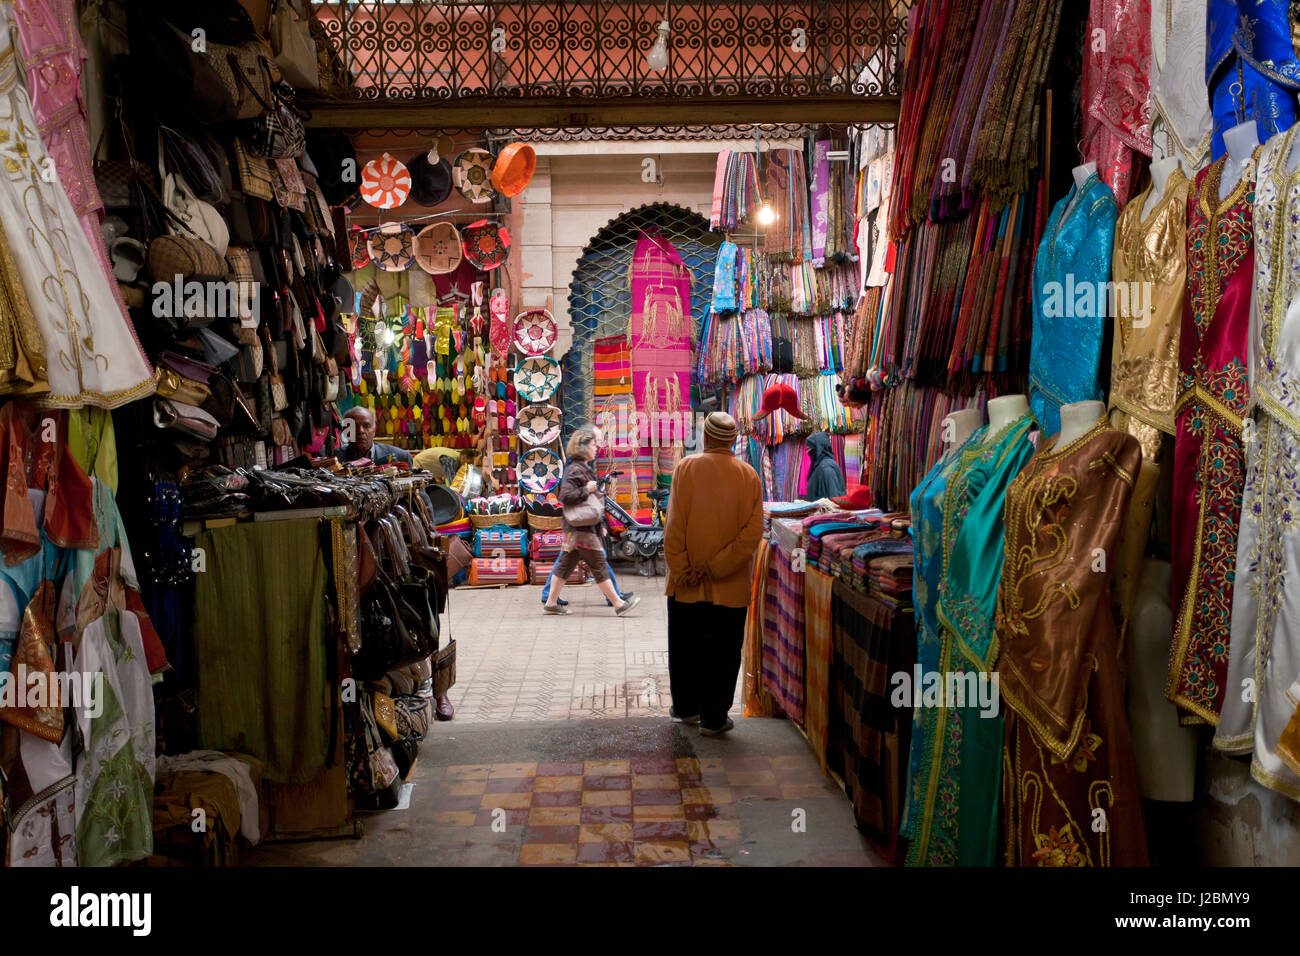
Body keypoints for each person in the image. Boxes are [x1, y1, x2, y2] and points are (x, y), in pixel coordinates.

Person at [664, 411, 763, 736]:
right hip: (729, 587)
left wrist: (683, 570)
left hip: (687, 585)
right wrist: (715, 568)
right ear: (734, 440)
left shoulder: (686, 469)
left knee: (685, 648)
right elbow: (751, 535)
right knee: (723, 651)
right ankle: (714, 718)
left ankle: (687, 708)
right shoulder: (749, 476)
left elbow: (674, 525)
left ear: (705, 438)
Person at [544, 427, 641, 616]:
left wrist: (601, 526)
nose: (597, 448)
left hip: (578, 528)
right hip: (582, 530)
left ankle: (551, 602)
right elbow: (566, 496)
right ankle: (618, 603)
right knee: (599, 565)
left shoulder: (582, 468)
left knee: (565, 564)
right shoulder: (575, 470)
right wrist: (586, 490)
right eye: (593, 444)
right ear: (582, 446)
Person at [342, 406, 413, 466]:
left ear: (374, 430)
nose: (361, 431)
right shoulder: (335, 458)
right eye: (353, 426)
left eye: (366, 426)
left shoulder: (402, 457)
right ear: (345, 431)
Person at [804, 432, 846, 501]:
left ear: (818, 449)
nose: (807, 452)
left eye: (809, 449)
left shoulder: (827, 468)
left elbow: (834, 499)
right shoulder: (819, 466)